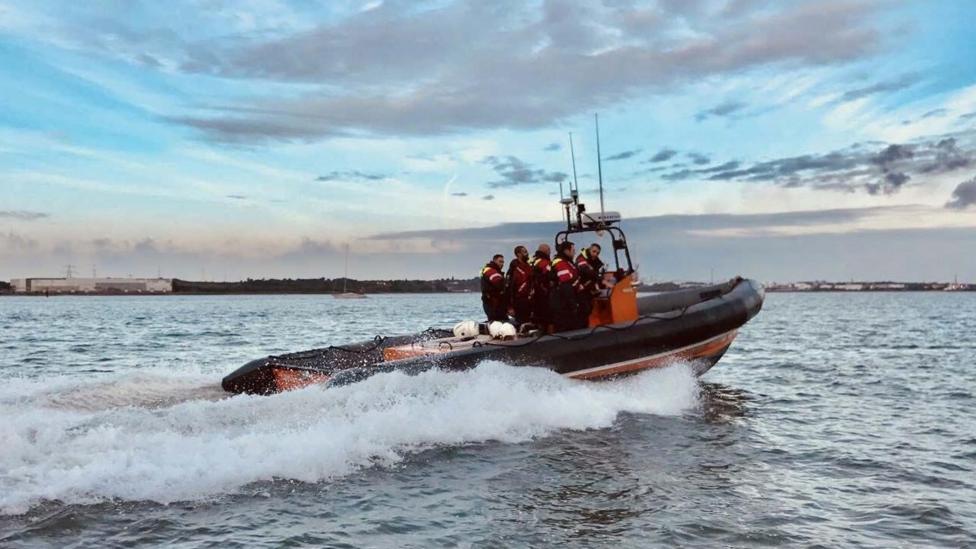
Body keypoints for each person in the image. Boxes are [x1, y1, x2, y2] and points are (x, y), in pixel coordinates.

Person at [549, 241, 583, 332]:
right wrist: (573, 304)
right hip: (563, 302)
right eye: (573, 250)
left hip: (566, 300)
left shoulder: (568, 262)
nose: (574, 252)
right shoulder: (561, 263)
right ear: (566, 251)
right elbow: (566, 284)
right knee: (565, 328)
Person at [575, 243, 606, 326]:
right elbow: (586, 271)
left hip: (589, 287)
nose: (595, 254)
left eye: (597, 253)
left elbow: (597, 269)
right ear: (589, 250)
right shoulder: (581, 259)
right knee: (585, 309)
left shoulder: (594, 260)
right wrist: (601, 280)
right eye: (594, 251)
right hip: (581, 288)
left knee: (589, 307)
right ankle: (581, 327)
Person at [506, 245, 534, 326]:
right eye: (525, 252)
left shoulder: (529, 266)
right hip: (519, 301)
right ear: (518, 254)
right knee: (521, 322)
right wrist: (509, 306)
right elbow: (508, 288)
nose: (527, 253)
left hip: (530, 300)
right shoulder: (513, 268)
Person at [530, 243, 552, 328]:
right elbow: (550, 275)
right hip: (544, 294)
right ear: (546, 251)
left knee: (539, 316)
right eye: (549, 250)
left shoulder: (533, 260)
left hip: (536, 293)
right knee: (548, 317)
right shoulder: (544, 262)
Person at [480, 254, 508, 322]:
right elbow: (497, 281)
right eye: (500, 261)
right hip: (492, 302)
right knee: (496, 320)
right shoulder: (490, 271)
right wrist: (507, 284)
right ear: (494, 261)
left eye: (503, 262)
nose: (502, 264)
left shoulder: (494, 271)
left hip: (495, 302)